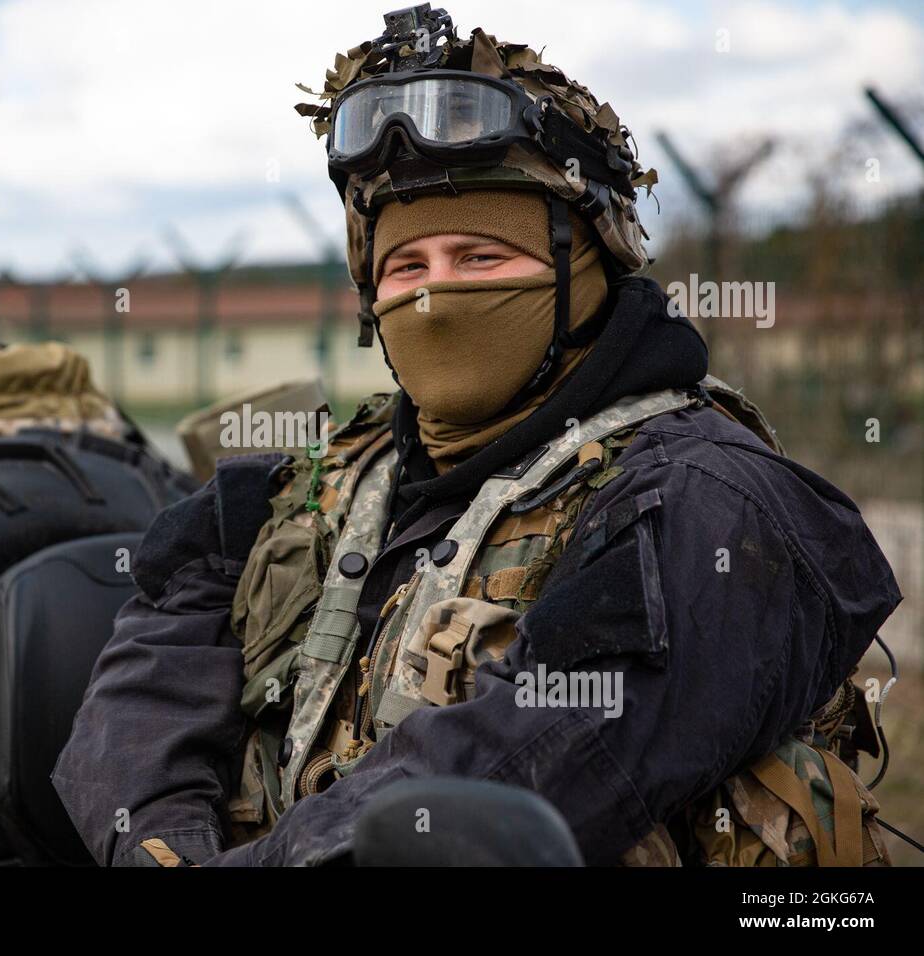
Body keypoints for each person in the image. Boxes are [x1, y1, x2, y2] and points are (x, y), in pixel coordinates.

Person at [53, 5, 902, 867]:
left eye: (482, 259)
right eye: (406, 268)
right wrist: (161, 847)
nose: (435, 295)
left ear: (585, 271)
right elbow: (145, 678)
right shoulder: (310, 485)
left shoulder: (713, 500)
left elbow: (523, 760)